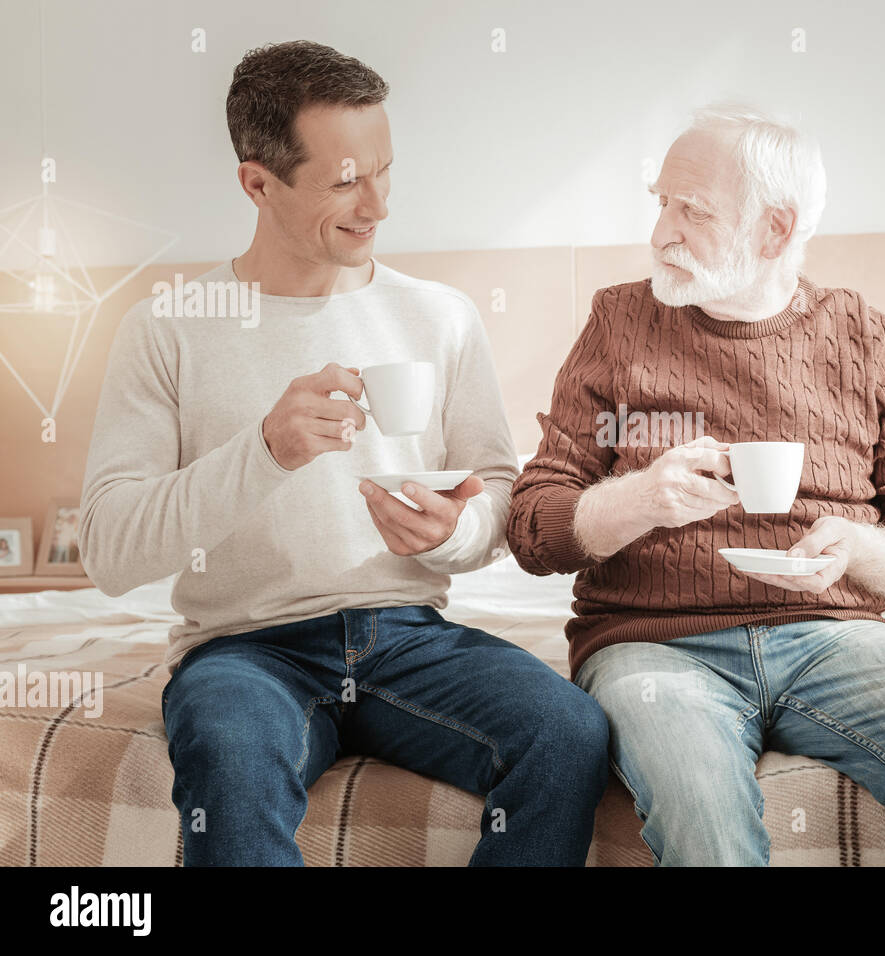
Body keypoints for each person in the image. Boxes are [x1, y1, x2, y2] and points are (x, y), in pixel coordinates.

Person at [79, 40, 607, 866]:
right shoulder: (167, 329)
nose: (379, 206)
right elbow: (110, 552)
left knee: (571, 731)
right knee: (231, 757)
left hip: (411, 636)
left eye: (385, 170)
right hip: (244, 648)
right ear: (259, 182)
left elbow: (498, 493)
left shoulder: (441, 317)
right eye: (346, 182)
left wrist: (452, 536)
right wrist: (262, 452)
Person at [508, 104, 885, 866]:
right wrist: (641, 498)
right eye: (660, 205)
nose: (660, 235)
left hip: (836, 637)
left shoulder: (867, 338)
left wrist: (857, 549)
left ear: (775, 230)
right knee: (699, 803)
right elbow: (531, 526)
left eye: (693, 211)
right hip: (656, 648)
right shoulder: (619, 322)